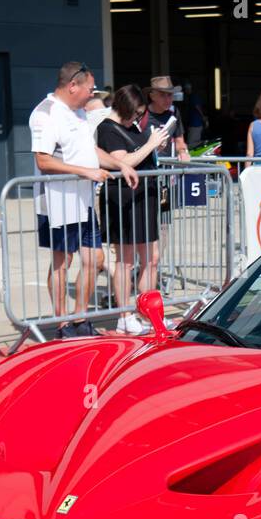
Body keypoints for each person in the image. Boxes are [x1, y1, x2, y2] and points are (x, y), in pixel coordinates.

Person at [29, 60, 139, 339]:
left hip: (83, 200)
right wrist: (84, 171)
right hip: (57, 201)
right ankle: (63, 322)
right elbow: (43, 160)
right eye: (89, 88)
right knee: (62, 262)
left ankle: (81, 318)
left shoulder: (77, 112)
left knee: (95, 259)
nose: (92, 94)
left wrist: (120, 164)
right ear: (72, 85)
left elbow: (90, 149)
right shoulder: (45, 113)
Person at [94, 84, 170, 336]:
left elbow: (138, 154)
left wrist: (153, 147)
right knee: (125, 260)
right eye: (136, 112)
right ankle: (124, 315)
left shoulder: (132, 127)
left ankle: (147, 311)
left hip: (144, 196)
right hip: (123, 198)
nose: (139, 118)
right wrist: (150, 144)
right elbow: (122, 162)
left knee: (152, 257)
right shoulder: (107, 129)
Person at [141, 76, 190, 161]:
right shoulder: (141, 113)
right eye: (162, 95)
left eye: (170, 95)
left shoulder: (174, 112)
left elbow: (180, 141)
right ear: (152, 96)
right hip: (146, 168)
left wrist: (183, 152)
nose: (167, 100)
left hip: (168, 168)